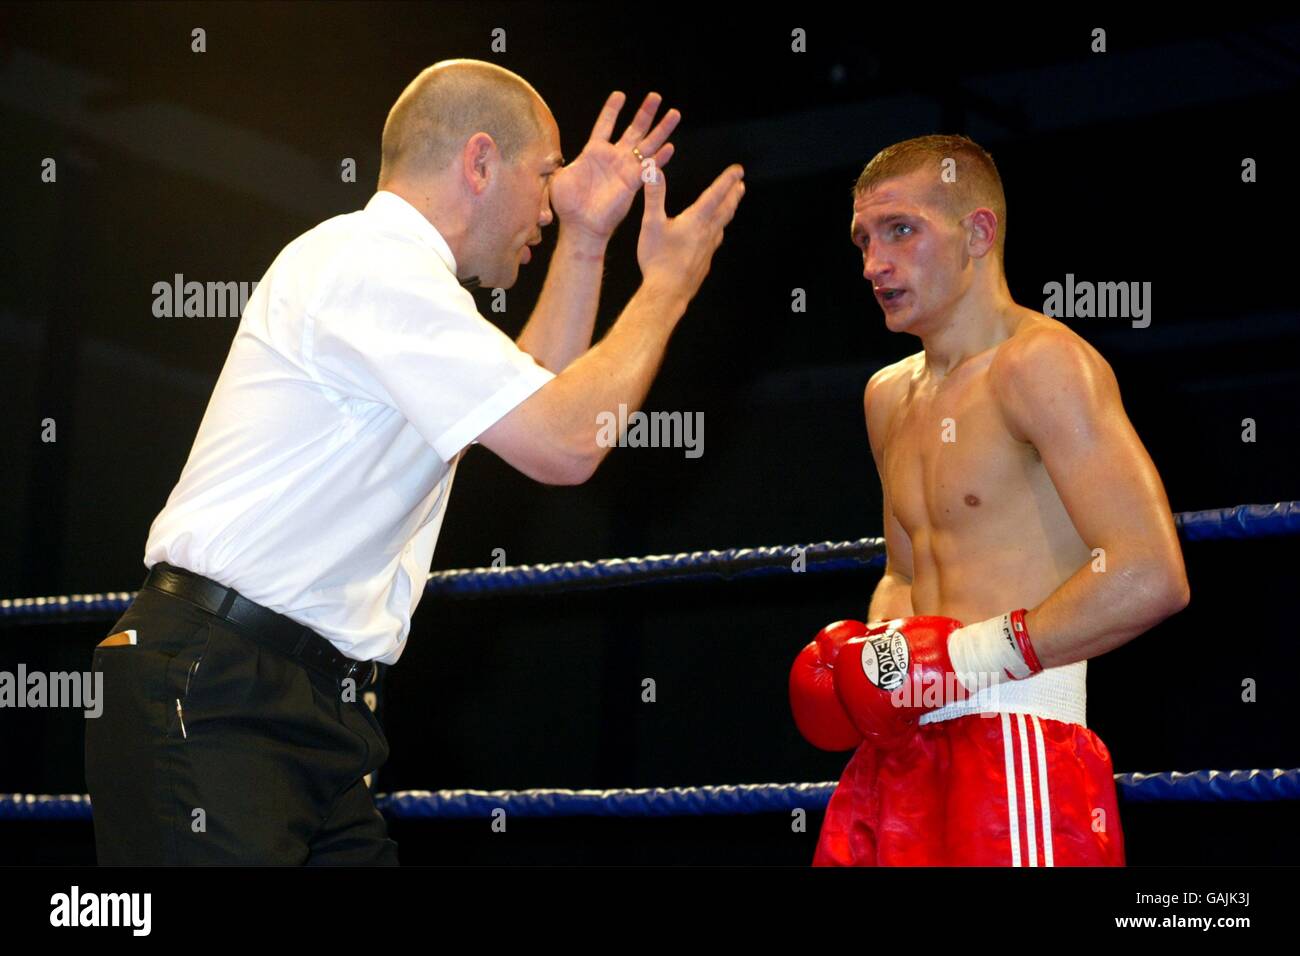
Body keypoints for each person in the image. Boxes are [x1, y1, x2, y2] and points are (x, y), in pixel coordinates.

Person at [85, 58, 745, 865]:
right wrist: (668, 288)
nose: (549, 201)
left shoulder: (400, 286)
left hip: (306, 703)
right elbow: (567, 442)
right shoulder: (371, 266)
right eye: (544, 176)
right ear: (478, 161)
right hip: (219, 687)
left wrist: (585, 237)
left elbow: (530, 402)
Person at [788, 134, 1187, 866]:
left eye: (901, 230)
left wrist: (966, 658)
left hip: (1020, 745)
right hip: (902, 750)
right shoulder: (887, 396)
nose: (874, 263)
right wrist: (876, 662)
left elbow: (1150, 573)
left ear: (978, 231)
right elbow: (904, 574)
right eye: (865, 239)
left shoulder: (1042, 365)